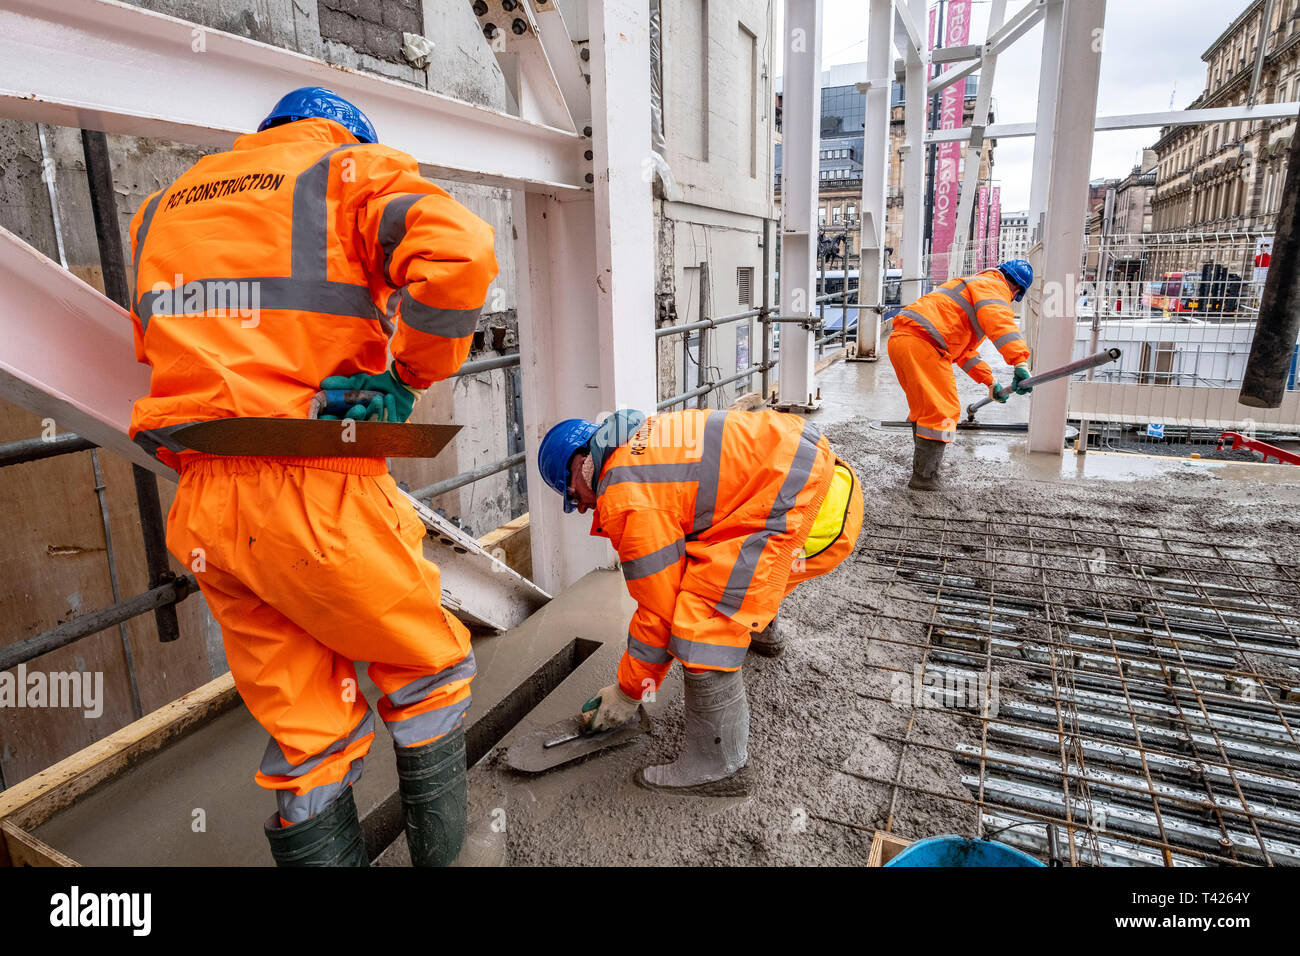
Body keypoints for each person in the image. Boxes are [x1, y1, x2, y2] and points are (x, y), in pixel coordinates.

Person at [125, 87, 498, 866]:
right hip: (314, 482)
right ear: (342, 130)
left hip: (205, 506)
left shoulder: (158, 209)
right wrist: (406, 375)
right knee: (426, 670)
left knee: (307, 727)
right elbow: (462, 252)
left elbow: (160, 348)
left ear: (263, 132)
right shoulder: (347, 171)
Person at [536, 408, 864, 792]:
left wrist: (629, 693)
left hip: (814, 522)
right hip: (825, 479)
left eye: (571, 493)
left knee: (697, 623)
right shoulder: (641, 440)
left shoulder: (627, 496)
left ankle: (719, 765)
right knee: (711, 555)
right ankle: (761, 630)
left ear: (581, 462)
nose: (580, 506)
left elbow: (658, 612)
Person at [888, 259, 1035, 490]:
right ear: (1016, 290)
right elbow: (1002, 325)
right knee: (944, 412)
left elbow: (964, 352)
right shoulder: (994, 287)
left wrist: (990, 382)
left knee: (926, 409)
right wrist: (1020, 362)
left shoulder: (972, 286)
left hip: (904, 341)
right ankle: (925, 478)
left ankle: (926, 468)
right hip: (925, 345)